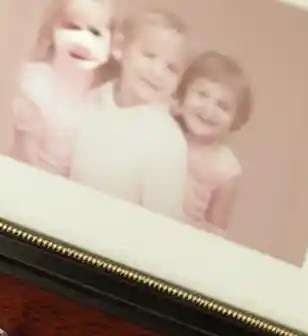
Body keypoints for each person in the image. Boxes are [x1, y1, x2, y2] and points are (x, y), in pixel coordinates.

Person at [67, 9, 190, 219]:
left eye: (171, 68)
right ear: (119, 48)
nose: (157, 72)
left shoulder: (167, 140)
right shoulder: (89, 101)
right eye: (149, 55)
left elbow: (162, 220)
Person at [10, 0, 116, 176]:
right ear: (54, 30)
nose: (82, 40)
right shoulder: (37, 83)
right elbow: (25, 156)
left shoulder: (102, 95)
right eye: (73, 27)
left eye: (95, 33)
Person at [173, 51, 253, 235]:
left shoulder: (226, 168)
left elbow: (216, 230)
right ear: (183, 94)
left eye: (222, 106)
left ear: (235, 120)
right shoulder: (164, 127)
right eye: (202, 94)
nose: (209, 109)